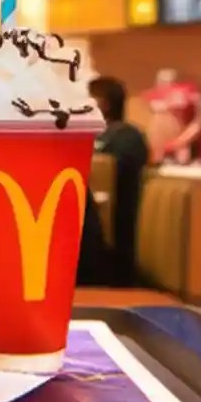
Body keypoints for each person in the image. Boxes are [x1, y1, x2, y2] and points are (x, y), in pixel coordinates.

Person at [88, 76, 151, 286]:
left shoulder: (127, 137)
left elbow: (115, 175)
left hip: (117, 232)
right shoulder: (86, 134)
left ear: (104, 102)